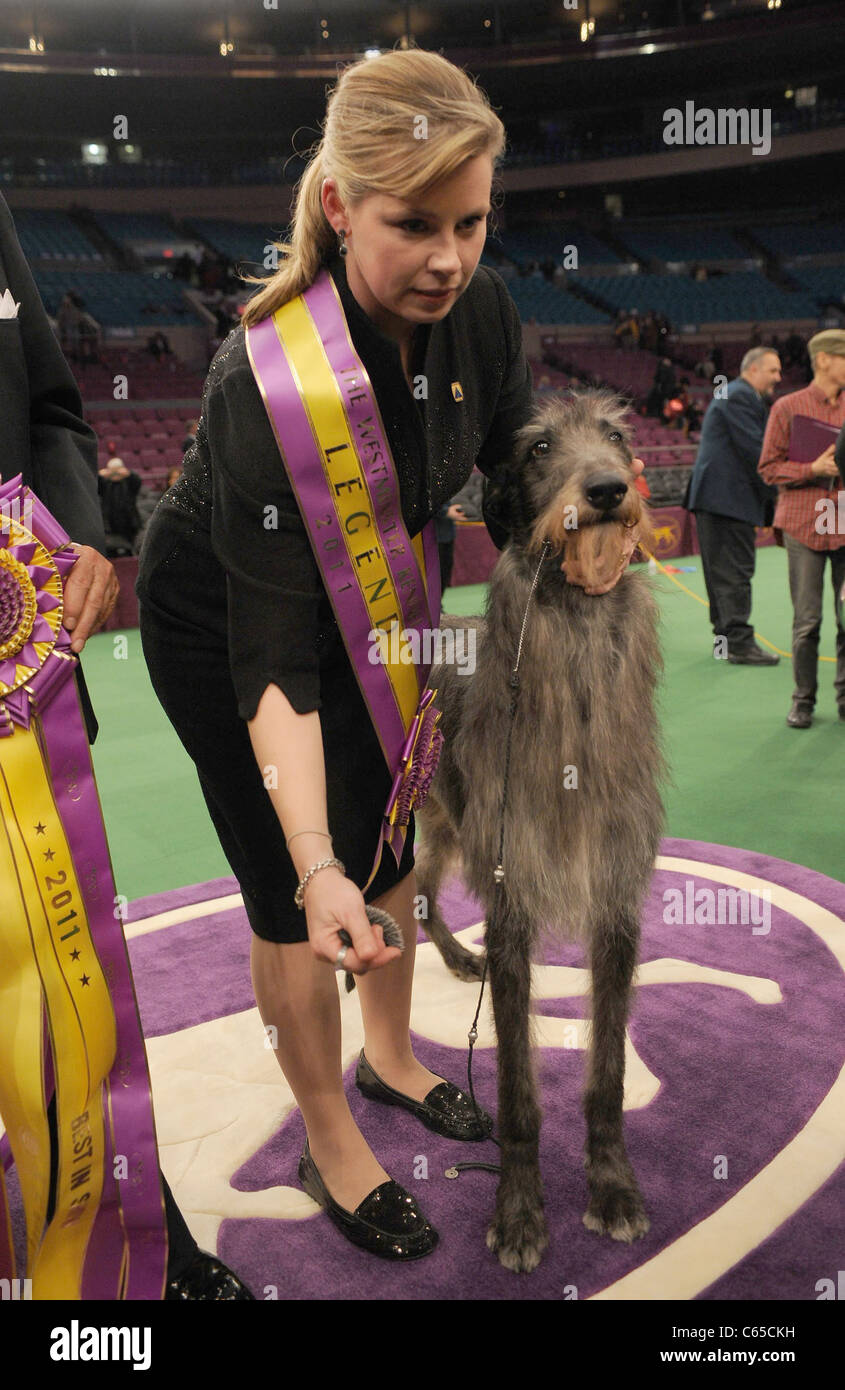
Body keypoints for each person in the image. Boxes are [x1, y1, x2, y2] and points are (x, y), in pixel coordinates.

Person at [136, 48, 643, 1263]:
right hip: (232, 634)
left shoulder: (482, 312)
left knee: (396, 835)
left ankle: (395, 1053)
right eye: (413, 223)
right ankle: (329, 1134)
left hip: (379, 607)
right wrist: (316, 859)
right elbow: (274, 656)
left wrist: (591, 509)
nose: (448, 257)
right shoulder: (255, 385)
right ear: (335, 207)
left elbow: (515, 472)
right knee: (298, 889)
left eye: (471, 222)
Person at [0, 190, 251, 1300]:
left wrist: (79, 541)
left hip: (17, 667)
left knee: (57, 972)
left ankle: (114, 1233)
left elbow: (51, 406)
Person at [758, 329, 845, 727]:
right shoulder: (787, 407)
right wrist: (813, 469)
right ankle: (803, 700)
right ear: (824, 359)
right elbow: (769, 468)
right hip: (803, 524)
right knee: (807, 621)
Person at [686, 347, 781, 664]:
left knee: (720, 573)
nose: (778, 378)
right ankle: (739, 643)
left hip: (717, 498)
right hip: (727, 499)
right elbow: (759, 454)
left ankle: (725, 642)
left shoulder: (734, 394)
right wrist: (785, 491)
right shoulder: (740, 395)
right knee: (734, 571)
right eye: (773, 371)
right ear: (753, 369)